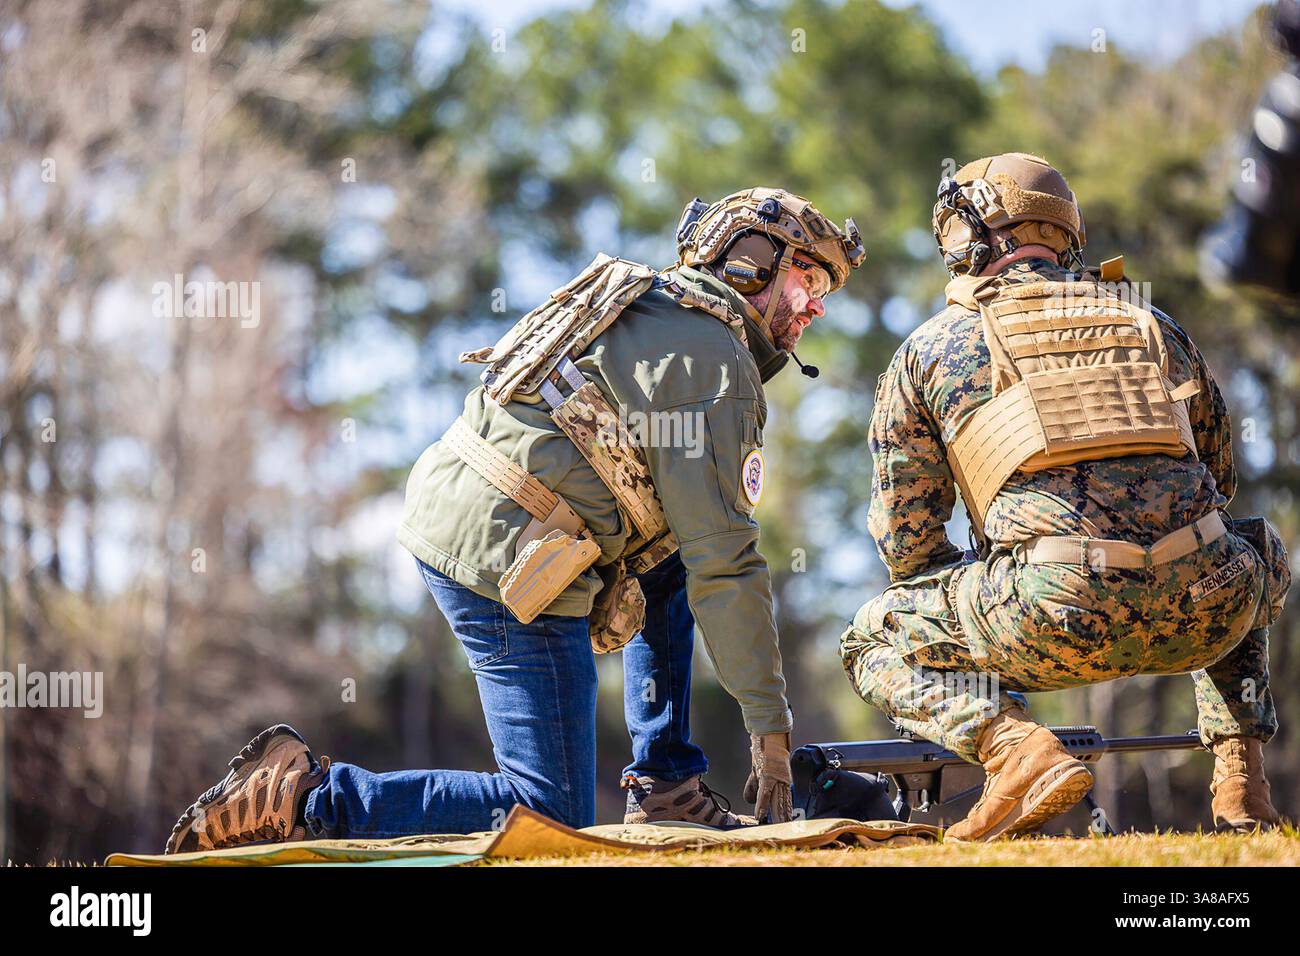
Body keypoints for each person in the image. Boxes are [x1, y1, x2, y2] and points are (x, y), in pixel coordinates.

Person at [164, 188, 864, 853]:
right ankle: (305, 800)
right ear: (751, 262)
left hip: (477, 514)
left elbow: (686, 552)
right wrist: (770, 733)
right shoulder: (713, 362)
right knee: (548, 812)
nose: (818, 309)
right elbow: (729, 565)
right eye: (810, 282)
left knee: (670, 555)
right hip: (509, 552)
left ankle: (667, 785)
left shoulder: (658, 312)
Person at [840, 153, 1289, 841]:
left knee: (870, 635)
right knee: (1244, 544)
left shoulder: (931, 347)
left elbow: (909, 546)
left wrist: (996, 563)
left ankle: (1014, 750)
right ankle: (1240, 783)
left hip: (1053, 615)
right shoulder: (1151, 323)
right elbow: (1219, 482)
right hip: (1209, 609)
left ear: (971, 235)